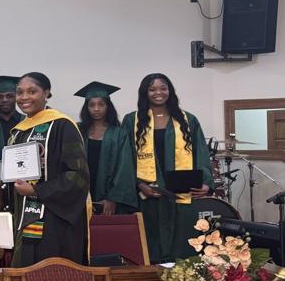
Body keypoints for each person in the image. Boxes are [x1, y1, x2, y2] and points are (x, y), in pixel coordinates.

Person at [122, 73, 211, 262]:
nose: (158, 93)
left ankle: (183, 278)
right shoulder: (132, 121)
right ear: (145, 92)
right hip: (149, 194)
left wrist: (206, 182)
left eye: (163, 88)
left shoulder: (188, 120)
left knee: (183, 243)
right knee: (150, 244)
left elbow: (201, 153)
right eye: (152, 89)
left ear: (170, 91)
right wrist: (140, 184)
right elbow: (126, 158)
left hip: (182, 193)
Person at [8, 72, 90, 266]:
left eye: (32, 92)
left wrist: (37, 190)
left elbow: (77, 175)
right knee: (27, 269)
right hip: (26, 213)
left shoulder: (63, 125)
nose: (24, 97)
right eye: (19, 92)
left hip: (56, 217)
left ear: (46, 93)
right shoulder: (20, 130)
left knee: (52, 271)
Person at [75, 82, 137, 216]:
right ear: (86, 108)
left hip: (108, 198)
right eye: (92, 105)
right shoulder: (77, 130)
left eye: (101, 104)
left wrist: (113, 198)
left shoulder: (119, 134)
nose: (96, 109)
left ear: (108, 106)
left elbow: (124, 168)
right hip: (79, 196)